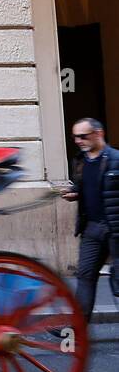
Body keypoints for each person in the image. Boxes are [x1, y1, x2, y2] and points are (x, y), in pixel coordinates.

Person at [61, 118, 119, 321]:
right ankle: (76, 327)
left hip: (115, 230)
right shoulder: (80, 161)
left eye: (83, 136)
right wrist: (74, 192)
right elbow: (83, 187)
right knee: (85, 276)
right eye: (75, 136)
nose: (78, 140)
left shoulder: (115, 159)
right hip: (91, 228)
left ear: (99, 133)